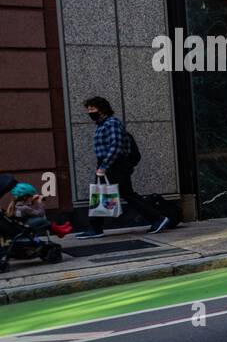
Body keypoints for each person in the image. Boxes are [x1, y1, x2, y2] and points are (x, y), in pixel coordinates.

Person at [79, 96, 168, 238]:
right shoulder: (102, 125)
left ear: (102, 109)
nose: (89, 112)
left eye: (92, 109)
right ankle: (96, 228)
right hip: (108, 163)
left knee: (125, 194)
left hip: (115, 164)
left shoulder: (112, 123)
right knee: (102, 193)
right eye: (88, 109)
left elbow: (116, 147)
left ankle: (158, 218)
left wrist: (104, 166)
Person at [5, 182, 71, 237]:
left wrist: (32, 201)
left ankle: (59, 229)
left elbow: (28, 210)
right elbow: (40, 214)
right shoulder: (24, 208)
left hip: (21, 225)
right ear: (25, 197)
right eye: (31, 196)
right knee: (41, 220)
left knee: (41, 221)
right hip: (25, 227)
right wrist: (39, 202)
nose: (32, 198)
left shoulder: (17, 205)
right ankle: (60, 231)